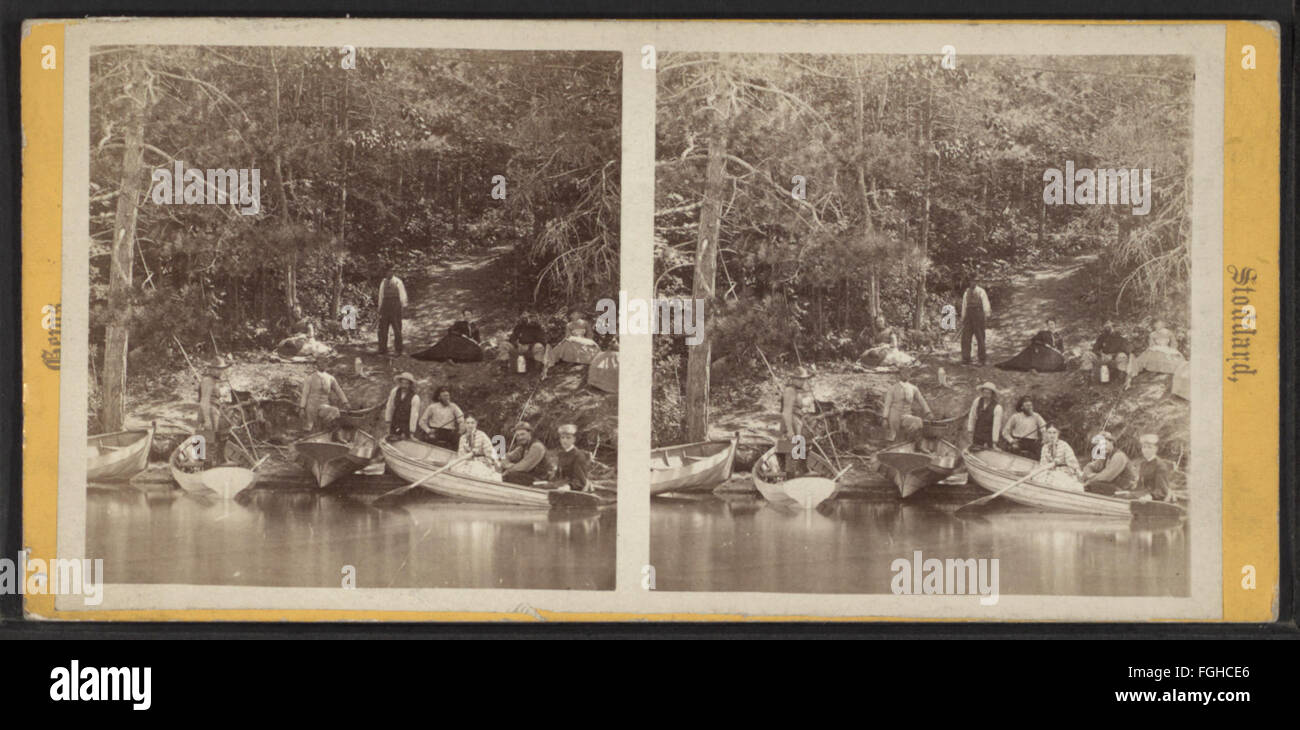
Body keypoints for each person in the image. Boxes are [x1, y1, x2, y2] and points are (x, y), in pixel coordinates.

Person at [778, 366, 817, 475]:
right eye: (800, 379)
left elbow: (800, 404)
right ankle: (790, 476)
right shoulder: (790, 390)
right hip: (790, 421)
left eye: (804, 379)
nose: (802, 381)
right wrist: (790, 430)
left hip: (798, 420)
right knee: (792, 449)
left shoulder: (798, 390)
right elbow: (786, 412)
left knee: (805, 441)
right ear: (793, 379)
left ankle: (802, 469)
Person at [1126, 319, 1185, 388]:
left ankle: (1166, 372)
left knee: (1173, 357)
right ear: (1154, 325)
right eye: (1156, 324)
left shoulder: (1168, 332)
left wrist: (1173, 350)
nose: (1158, 326)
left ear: (1163, 324)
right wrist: (1153, 348)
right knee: (1151, 354)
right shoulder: (1152, 334)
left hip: (1166, 348)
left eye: (1160, 324)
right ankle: (1154, 371)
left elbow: (1174, 343)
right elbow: (1151, 344)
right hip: (1156, 348)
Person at [881, 367, 933, 442]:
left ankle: (914, 443)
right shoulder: (893, 388)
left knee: (918, 421)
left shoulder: (913, 388)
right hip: (894, 416)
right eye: (904, 373)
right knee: (894, 437)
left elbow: (921, 400)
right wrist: (885, 418)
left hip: (906, 415)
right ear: (900, 375)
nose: (906, 375)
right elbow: (887, 405)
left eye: (908, 373)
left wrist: (928, 412)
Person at [299, 356, 351, 432]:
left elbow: (338, 390)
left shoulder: (330, 378)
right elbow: (305, 394)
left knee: (335, 411)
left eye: (325, 362)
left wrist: (345, 402)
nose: (323, 364)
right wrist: (302, 408)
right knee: (311, 428)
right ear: (317, 364)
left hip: (324, 405)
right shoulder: (310, 378)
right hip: (311, 407)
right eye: (321, 362)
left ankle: (331, 433)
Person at [996, 318, 1066, 372]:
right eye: (1049, 324)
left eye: (1052, 324)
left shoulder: (1059, 336)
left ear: (1055, 325)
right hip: (1043, 353)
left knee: (1060, 363)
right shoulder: (1043, 333)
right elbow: (1034, 340)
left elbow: (1061, 348)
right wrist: (1045, 344)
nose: (1051, 326)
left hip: (1054, 354)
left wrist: (1059, 352)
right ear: (1047, 325)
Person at [1120, 434, 1173, 502]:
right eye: (1144, 447)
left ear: (1156, 449)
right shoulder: (1143, 464)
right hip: (1141, 494)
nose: (1146, 450)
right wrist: (1130, 492)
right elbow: (1140, 485)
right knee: (1119, 495)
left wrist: (1150, 496)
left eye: (1149, 447)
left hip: (1152, 498)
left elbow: (1162, 490)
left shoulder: (1160, 465)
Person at [1081, 430, 1134, 495]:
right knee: (1086, 483)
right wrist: (1089, 474)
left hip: (1123, 489)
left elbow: (1107, 477)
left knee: (1090, 485)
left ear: (1111, 442)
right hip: (1112, 486)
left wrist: (1091, 478)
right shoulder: (1105, 455)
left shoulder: (1119, 456)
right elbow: (1089, 466)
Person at [501, 422, 553, 486]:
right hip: (529, 476)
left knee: (510, 475)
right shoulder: (522, 446)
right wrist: (506, 464)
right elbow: (506, 457)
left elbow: (524, 467)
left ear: (529, 433)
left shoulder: (537, 447)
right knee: (505, 472)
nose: (520, 437)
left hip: (540, 480)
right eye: (517, 435)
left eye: (522, 434)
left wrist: (508, 467)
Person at [454, 415, 501, 481]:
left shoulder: (481, 435)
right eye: (468, 423)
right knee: (456, 468)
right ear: (465, 424)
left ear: (476, 424)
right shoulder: (462, 438)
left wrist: (492, 462)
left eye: (472, 423)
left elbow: (489, 451)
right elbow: (461, 454)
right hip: (467, 462)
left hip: (482, 462)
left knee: (477, 469)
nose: (470, 425)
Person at [549, 423, 591, 492]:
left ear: (574, 439)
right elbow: (558, 476)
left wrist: (568, 487)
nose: (564, 440)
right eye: (562, 437)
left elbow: (580, 481)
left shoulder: (578, 455)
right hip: (559, 485)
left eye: (568, 438)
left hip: (572, 490)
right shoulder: (561, 454)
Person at [960, 277, 991, 366]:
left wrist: (986, 314)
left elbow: (985, 304)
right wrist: (963, 317)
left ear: (977, 282)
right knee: (966, 337)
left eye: (975, 281)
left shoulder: (981, 291)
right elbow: (964, 305)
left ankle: (981, 359)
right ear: (969, 282)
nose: (973, 282)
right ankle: (966, 358)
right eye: (971, 281)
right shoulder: (966, 293)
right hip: (969, 317)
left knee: (980, 337)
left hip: (978, 316)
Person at [377, 266, 408, 356]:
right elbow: (381, 296)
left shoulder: (398, 282)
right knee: (383, 329)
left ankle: (398, 349)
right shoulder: (383, 283)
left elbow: (403, 295)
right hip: (385, 307)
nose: (388, 273)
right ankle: (382, 349)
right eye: (387, 272)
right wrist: (379, 308)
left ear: (393, 272)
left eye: (390, 271)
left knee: (397, 328)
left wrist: (403, 306)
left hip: (395, 307)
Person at [382, 372, 420, 440]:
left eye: (406, 383)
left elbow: (414, 415)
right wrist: (388, 421)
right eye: (402, 383)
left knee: (404, 441)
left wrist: (411, 432)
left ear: (410, 385)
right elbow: (390, 406)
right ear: (400, 383)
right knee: (390, 439)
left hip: (406, 424)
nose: (404, 386)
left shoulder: (415, 397)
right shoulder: (395, 391)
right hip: (395, 421)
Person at [965, 382, 1003, 450]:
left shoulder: (997, 407)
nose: (986, 395)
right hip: (978, 432)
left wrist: (994, 441)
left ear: (992, 394)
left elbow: (996, 425)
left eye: (988, 393)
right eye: (984, 392)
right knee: (975, 450)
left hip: (989, 435)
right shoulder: (977, 401)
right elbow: (972, 415)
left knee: (988, 452)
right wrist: (970, 430)